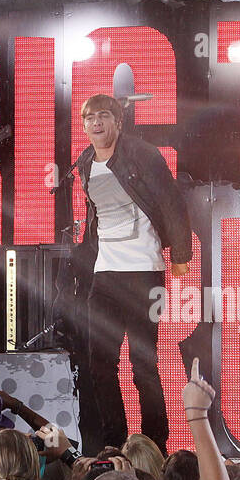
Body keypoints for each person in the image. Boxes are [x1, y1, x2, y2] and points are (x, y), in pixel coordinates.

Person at [72, 93, 191, 454]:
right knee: (100, 365)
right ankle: (114, 442)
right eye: (89, 117)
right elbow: (94, 216)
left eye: (104, 116)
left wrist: (180, 256)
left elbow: (171, 202)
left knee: (143, 366)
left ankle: (155, 444)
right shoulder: (84, 162)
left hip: (144, 271)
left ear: (118, 121)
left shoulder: (142, 154)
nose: (96, 123)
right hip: (105, 272)